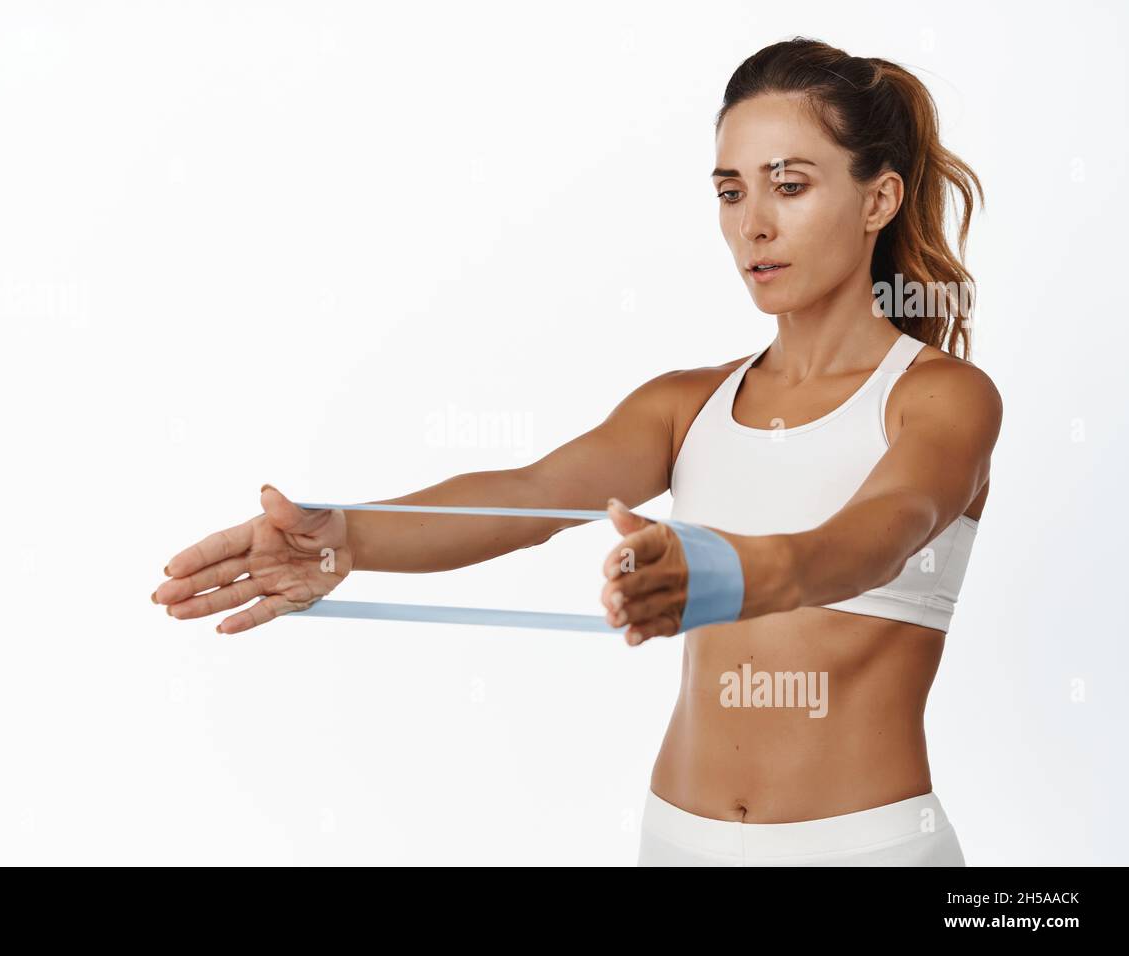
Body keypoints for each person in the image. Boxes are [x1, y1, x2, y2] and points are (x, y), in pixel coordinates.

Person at [151, 37, 1001, 867]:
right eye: (730, 192)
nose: (755, 225)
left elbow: (877, 534)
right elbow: (529, 495)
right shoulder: (686, 404)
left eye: (790, 185)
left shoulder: (942, 398)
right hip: (679, 838)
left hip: (865, 849)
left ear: (879, 199)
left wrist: (725, 572)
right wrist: (340, 537)